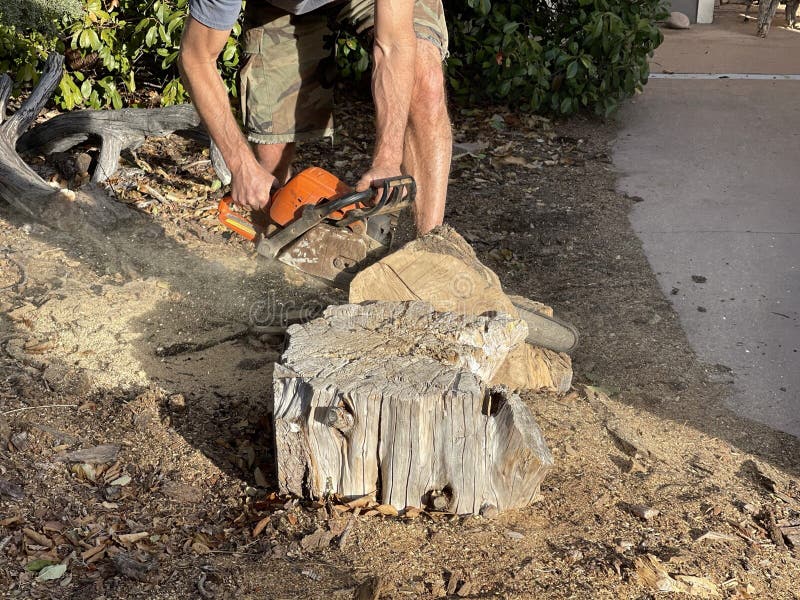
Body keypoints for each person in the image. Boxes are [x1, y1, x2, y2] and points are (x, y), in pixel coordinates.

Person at [179, 0, 451, 235]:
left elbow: (393, 44)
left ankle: (428, 251)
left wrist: (388, 161)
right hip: (280, 7)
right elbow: (196, 57)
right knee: (270, 161)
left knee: (424, 81)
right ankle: (277, 271)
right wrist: (240, 164)